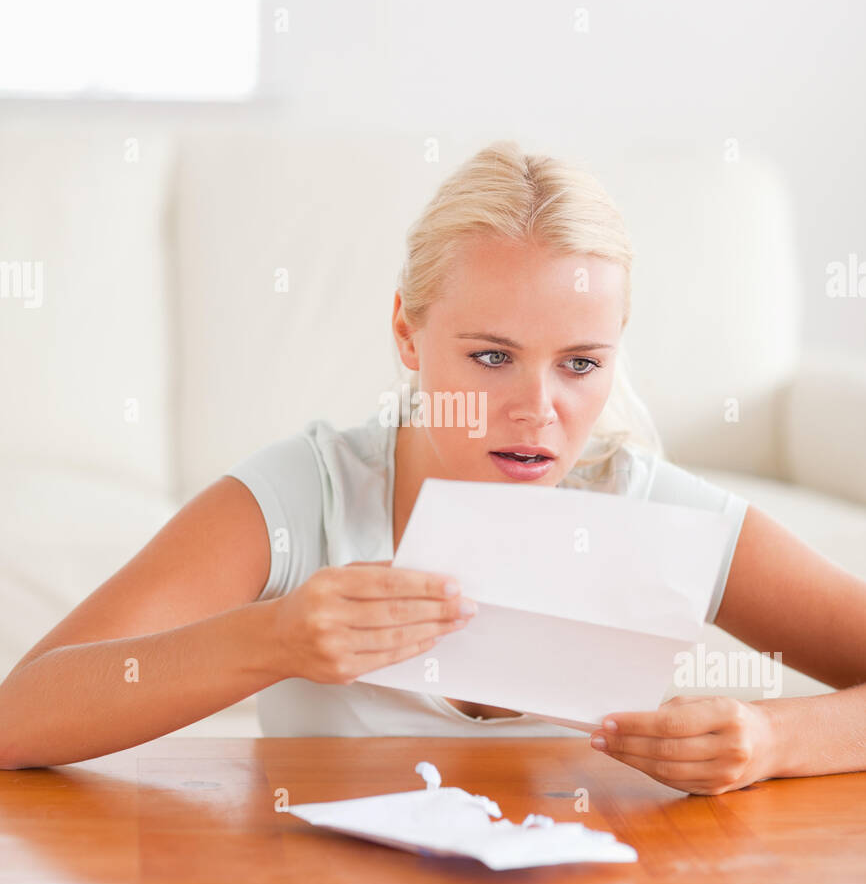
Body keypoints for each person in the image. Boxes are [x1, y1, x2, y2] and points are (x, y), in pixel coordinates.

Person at [2, 141, 865, 794]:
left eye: (581, 363)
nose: (537, 408)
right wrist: (274, 639)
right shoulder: (304, 502)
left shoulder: (656, 518)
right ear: (409, 336)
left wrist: (776, 741)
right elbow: (19, 716)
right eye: (492, 357)